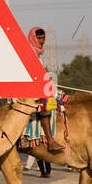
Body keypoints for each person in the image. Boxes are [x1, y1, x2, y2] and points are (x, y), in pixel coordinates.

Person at [27, 28, 65, 167]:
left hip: (39, 86)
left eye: (43, 38)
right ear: (33, 38)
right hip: (30, 89)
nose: (42, 41)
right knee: (46, 106)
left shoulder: (39, 55)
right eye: (39, 38)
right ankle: (50, 141)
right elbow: (36, 76)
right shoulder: (30, 54)